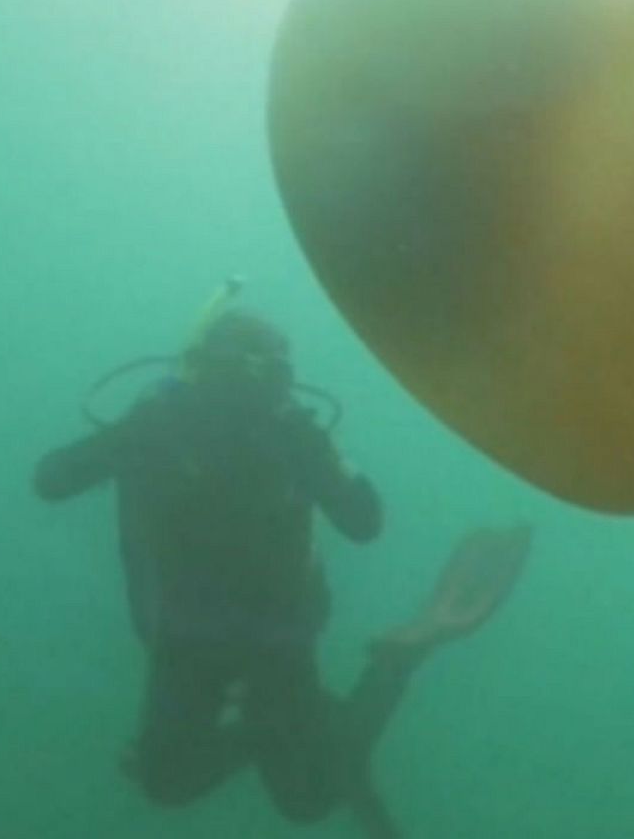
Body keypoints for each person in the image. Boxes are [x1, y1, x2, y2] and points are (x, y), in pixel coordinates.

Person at [33, 309, 530, 836]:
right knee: (291, 794)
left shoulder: (171, 422)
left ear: (197, 363)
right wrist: (305, 435)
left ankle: (356, 685)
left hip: (226, 638)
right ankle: (368, 678)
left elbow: (52, 479)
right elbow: (365, 520)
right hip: (252, 637)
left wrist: (140, 422)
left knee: (186, 783)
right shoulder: (273, 427)